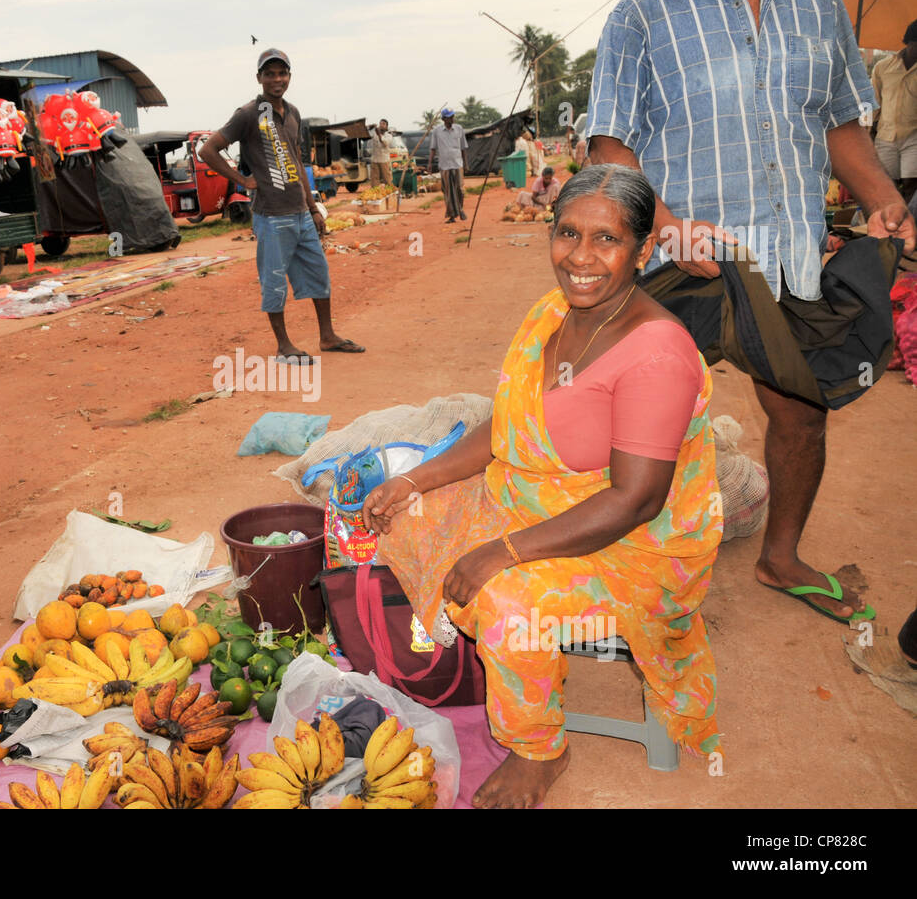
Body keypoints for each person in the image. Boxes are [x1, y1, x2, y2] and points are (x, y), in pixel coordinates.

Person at [362, 164, 722, 809]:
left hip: (633, 543)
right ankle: (477, 660)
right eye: (567, 234)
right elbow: (509, 425)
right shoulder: (555, 312)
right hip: (534, 495)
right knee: (402, 514)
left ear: (642, 250)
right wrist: (414, 479)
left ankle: (539, 748)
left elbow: (635, 501)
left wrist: (504, 551)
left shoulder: (657, 354)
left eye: (607, 240)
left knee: (504, 598)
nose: (581, 258)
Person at [586, 0, 916, 624]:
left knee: (801, 413)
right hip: (683, 267)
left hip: (789, 256)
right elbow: (610, 148)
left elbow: (840, 126)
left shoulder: (818, 0)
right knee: (640, 426)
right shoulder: (640, 14)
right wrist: (669, 225)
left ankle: (781, 556)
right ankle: (617, 569)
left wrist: (882, 197)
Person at [199, 48, 364, 363]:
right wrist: (241, 180)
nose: (277, 79)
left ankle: (327, 337)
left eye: (282, 73)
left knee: (319, 274)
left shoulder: (293, 113)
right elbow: (208, 150)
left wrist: (313, 207)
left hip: (300, 213)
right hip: (271, 217)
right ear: (259, 78)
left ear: (289, 76)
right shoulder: (248, 114)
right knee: (274, 282)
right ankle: (283, 345)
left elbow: (298, 161)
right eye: (270, 74)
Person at [871, 19, 917, 202]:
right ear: (909, 43)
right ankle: (891, 225)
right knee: (885, 185)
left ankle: (910, 223)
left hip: (914, 137)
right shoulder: (882, 68)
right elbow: (873, 104)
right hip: (885, 136)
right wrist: (868, 132)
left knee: (912, 183)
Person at [429, 108, 467, 223]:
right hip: (444, 165)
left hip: (457, 163)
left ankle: (460, 209)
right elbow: (433, 148)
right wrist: (430, 163)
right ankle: (451, 215)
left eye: (452, 116)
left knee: (460, 189)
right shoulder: (437, 131)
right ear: (443, 119)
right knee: (448, 191)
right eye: (449, 117)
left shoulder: (459, 129)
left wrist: (466, 164)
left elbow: (463, 148)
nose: (451, 119)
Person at [368, 118, 393, 188]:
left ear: (386, 127)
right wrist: (370, 127)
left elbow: (385, 143)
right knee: (374, 179)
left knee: (387, 179)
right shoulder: (374, 134)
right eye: (380, 124)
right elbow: (366, 134)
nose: (381, 125)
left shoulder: (389, 136)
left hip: (384, 160)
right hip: (375, 160)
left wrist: (379, 134)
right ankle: (374, 193)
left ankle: (390, 192)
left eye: (383, 124)